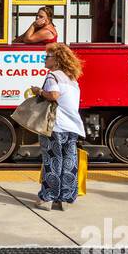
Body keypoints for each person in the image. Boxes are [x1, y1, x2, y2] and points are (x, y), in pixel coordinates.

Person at [35, 43, 84, 211]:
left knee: (52, 161)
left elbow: (54, 95)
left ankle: (47, 199)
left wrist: (39, 91)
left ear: (56, 60)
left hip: (56, 126)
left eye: (47, 56)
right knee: (69, 162)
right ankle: (66, 199)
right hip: (72, 126)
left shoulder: (53, 76)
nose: (45, 58)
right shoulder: (72, 79)